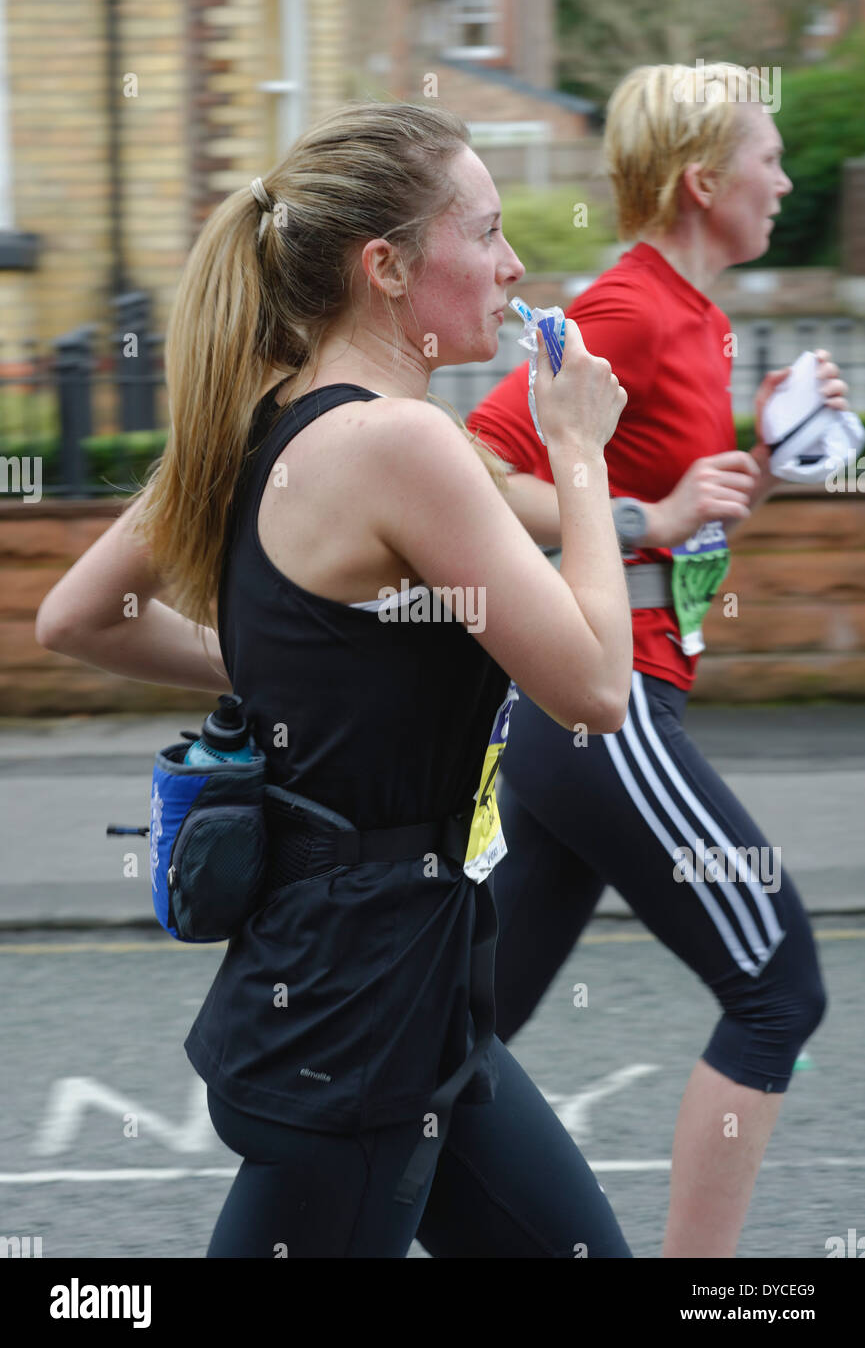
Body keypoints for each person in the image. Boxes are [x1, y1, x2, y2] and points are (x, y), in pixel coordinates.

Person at [35, 101, 636, 1258]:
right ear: (388, 266)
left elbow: (81, 615)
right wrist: (577, 451)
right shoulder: (400, 447)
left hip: (392, 978)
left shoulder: (263, 418)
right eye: (489, 231)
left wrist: (276, 673)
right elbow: (596, 686)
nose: (514, 266)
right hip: (358, 1013)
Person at [466, 62, 851, 1259]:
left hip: (581, 714)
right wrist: (653, 518)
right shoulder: (626, 309)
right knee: (779, 986)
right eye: (767, 157)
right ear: (702, 181)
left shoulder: (701, 315)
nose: (786, 179)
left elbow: (675, 507)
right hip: (602, 703)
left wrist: (767, 462)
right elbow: (472, 470)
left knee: (456, 1032)